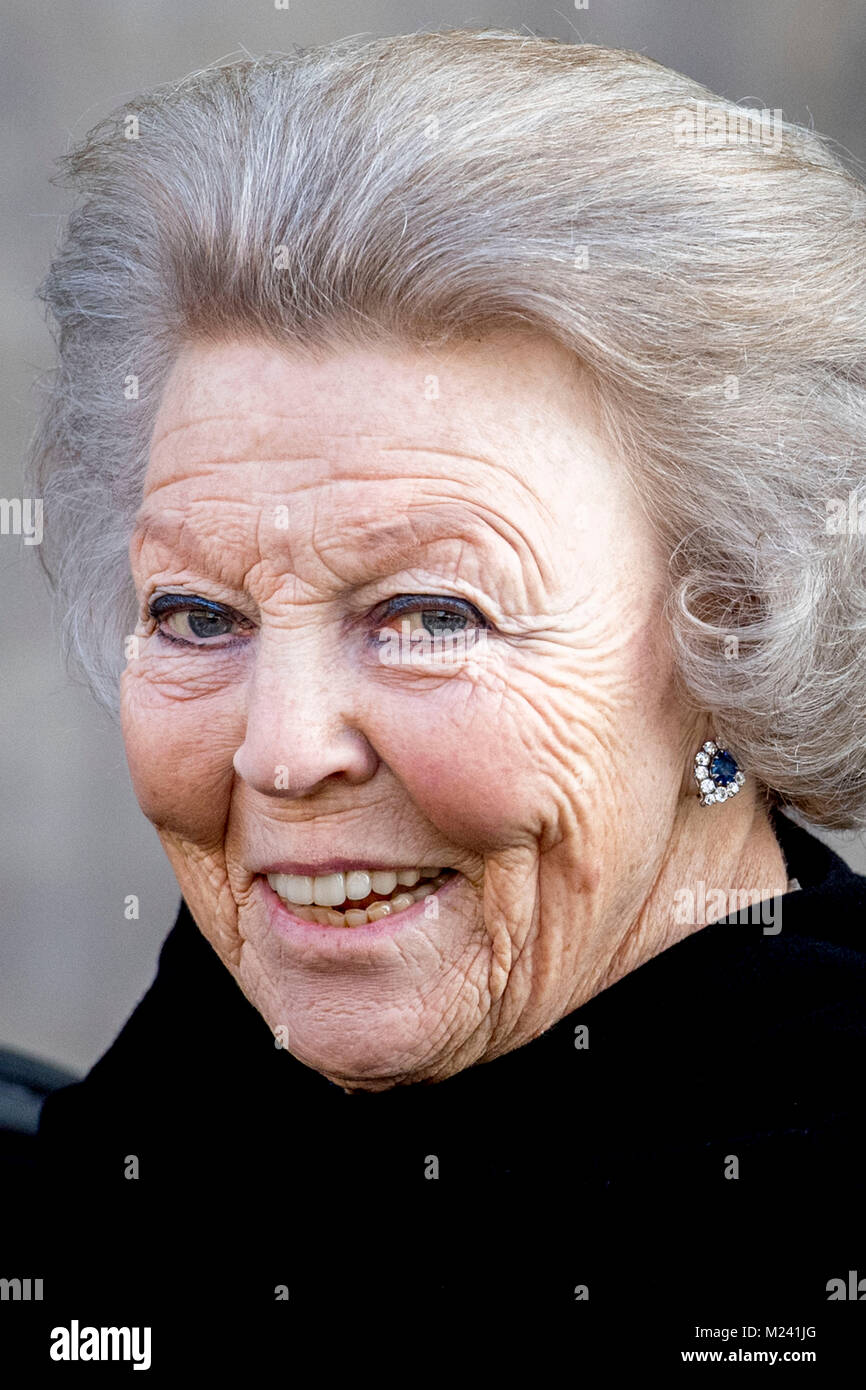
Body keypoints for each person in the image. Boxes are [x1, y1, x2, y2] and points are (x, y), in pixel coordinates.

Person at [21, 28, 866, 1354]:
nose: (283, 753)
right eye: (197, 614)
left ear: (735, 635)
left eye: (428, 613)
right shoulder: (128, 1151)